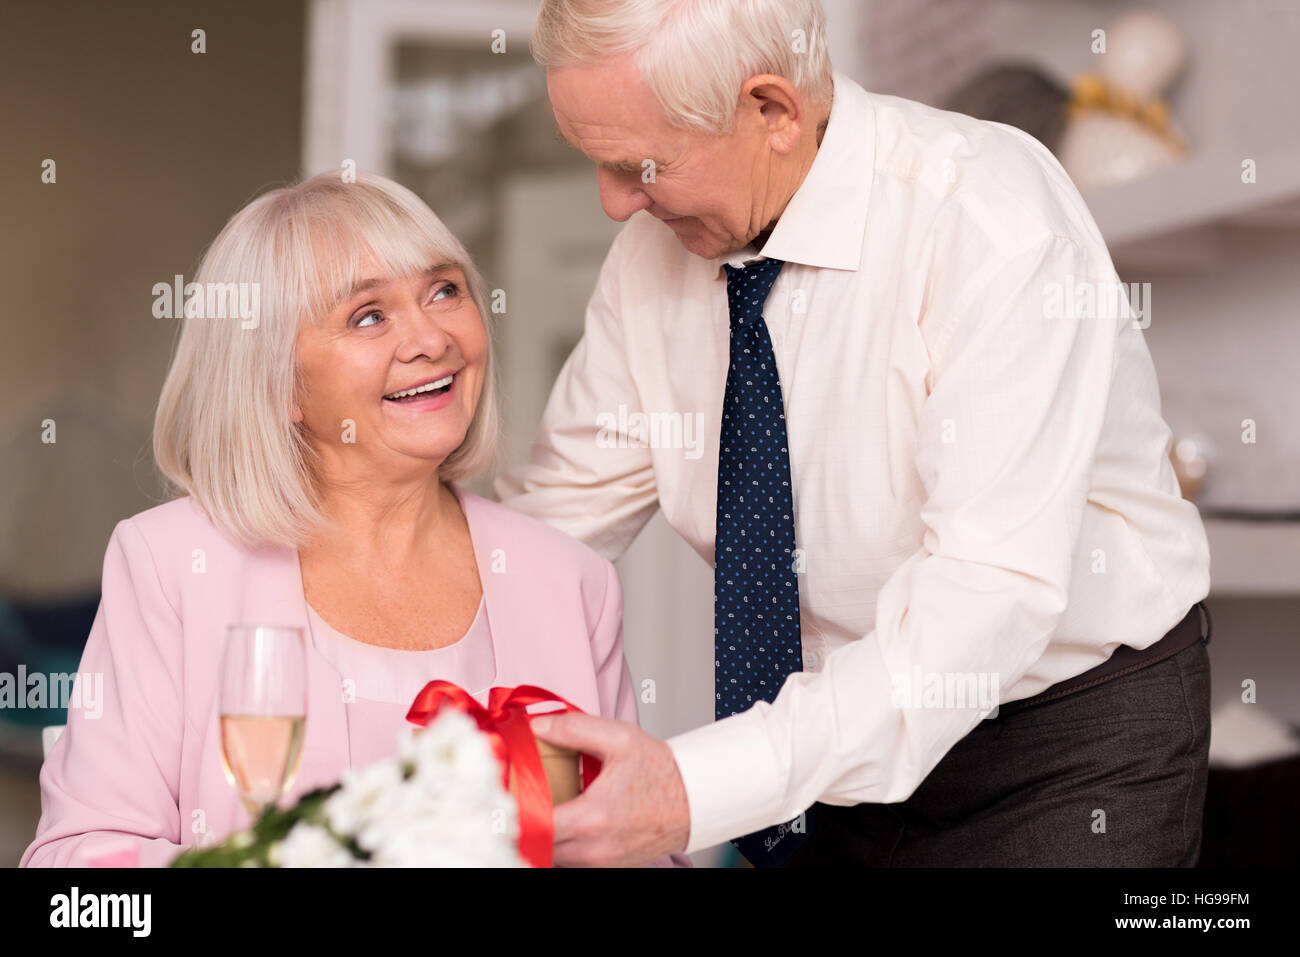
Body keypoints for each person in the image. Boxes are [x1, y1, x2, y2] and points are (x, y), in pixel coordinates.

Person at [498, 0, 1213, 867]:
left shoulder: (987, 219)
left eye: (640, 164)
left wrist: (693, 788)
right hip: (833, 740)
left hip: (1061, 741)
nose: (613, 205)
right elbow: (548, 529)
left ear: (773, 112)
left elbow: (984, 598)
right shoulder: (648, 264)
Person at [21, 171, 687, 868]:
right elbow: (79, 869)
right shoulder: (169, 566)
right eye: (368, 315)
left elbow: (640, 846)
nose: (431, 337)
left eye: (445, 290)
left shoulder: (568, 578)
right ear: (280, 385)